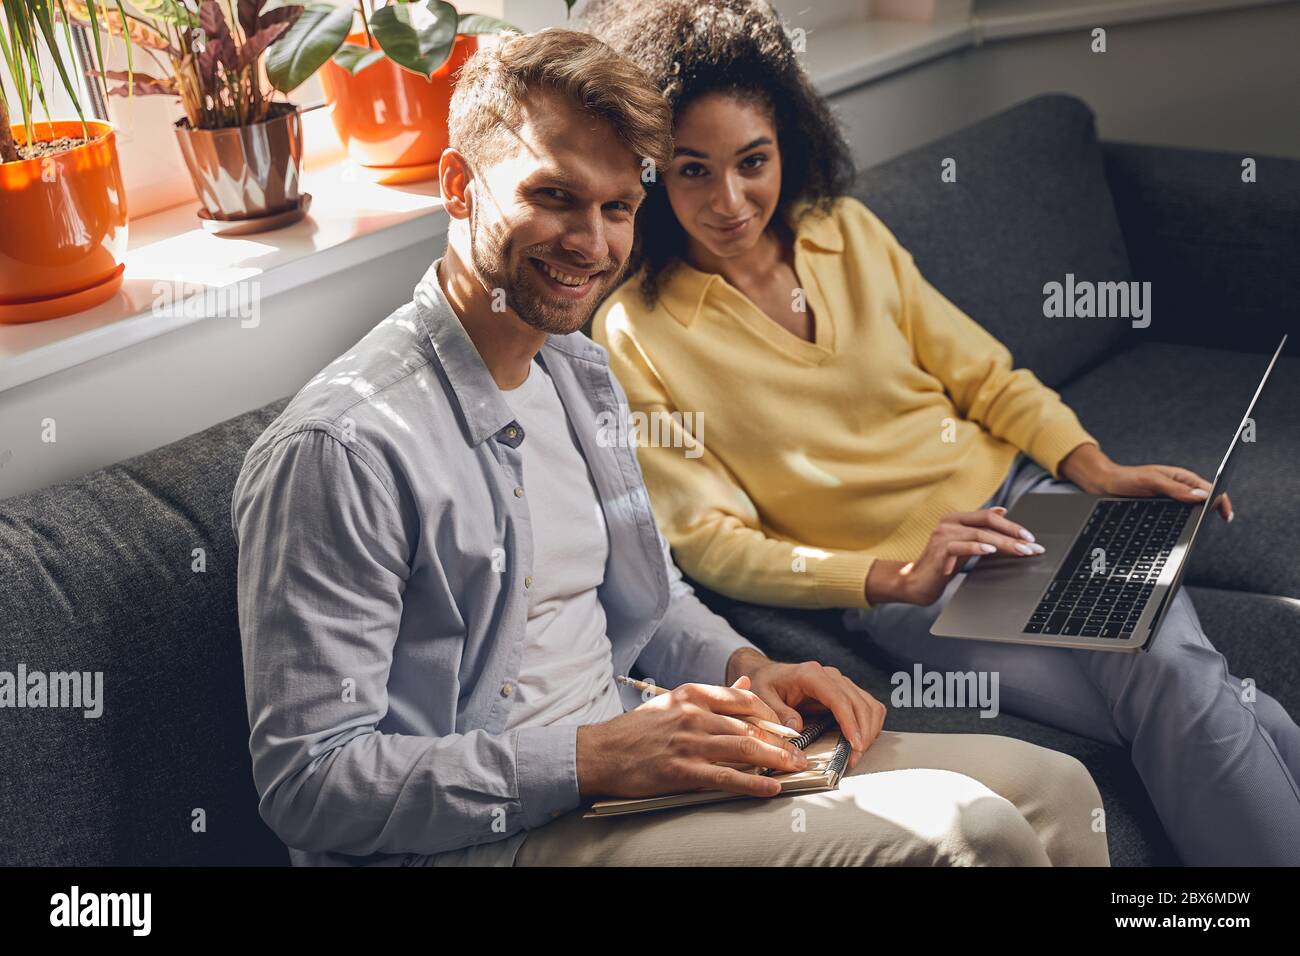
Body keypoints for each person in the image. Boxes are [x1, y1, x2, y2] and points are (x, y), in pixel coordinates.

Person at [232, 27, 1108, 867]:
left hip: (635, 766)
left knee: (1054, 786)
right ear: (458, 186)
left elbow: (650, 598)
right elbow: (307, 783)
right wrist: (593, 759)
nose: (593, 242)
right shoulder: (340, 451)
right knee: (968, 834)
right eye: (554, 196)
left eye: (619, 207)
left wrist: (752, 667)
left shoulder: (578, 370)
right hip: (492, 835)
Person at [585, 0, 1300, 865]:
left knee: (1174, 680)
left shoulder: (845, 231)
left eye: (753, 162)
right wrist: (892, 576)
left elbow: (984, 375)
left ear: (789, 144)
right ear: (652, 172)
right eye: (693, 171)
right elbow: (708, 541)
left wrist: (1095, 468)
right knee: (1185, 681)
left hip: (1030, 509)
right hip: (923, 594)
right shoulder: (636, 329)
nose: (729, 201)